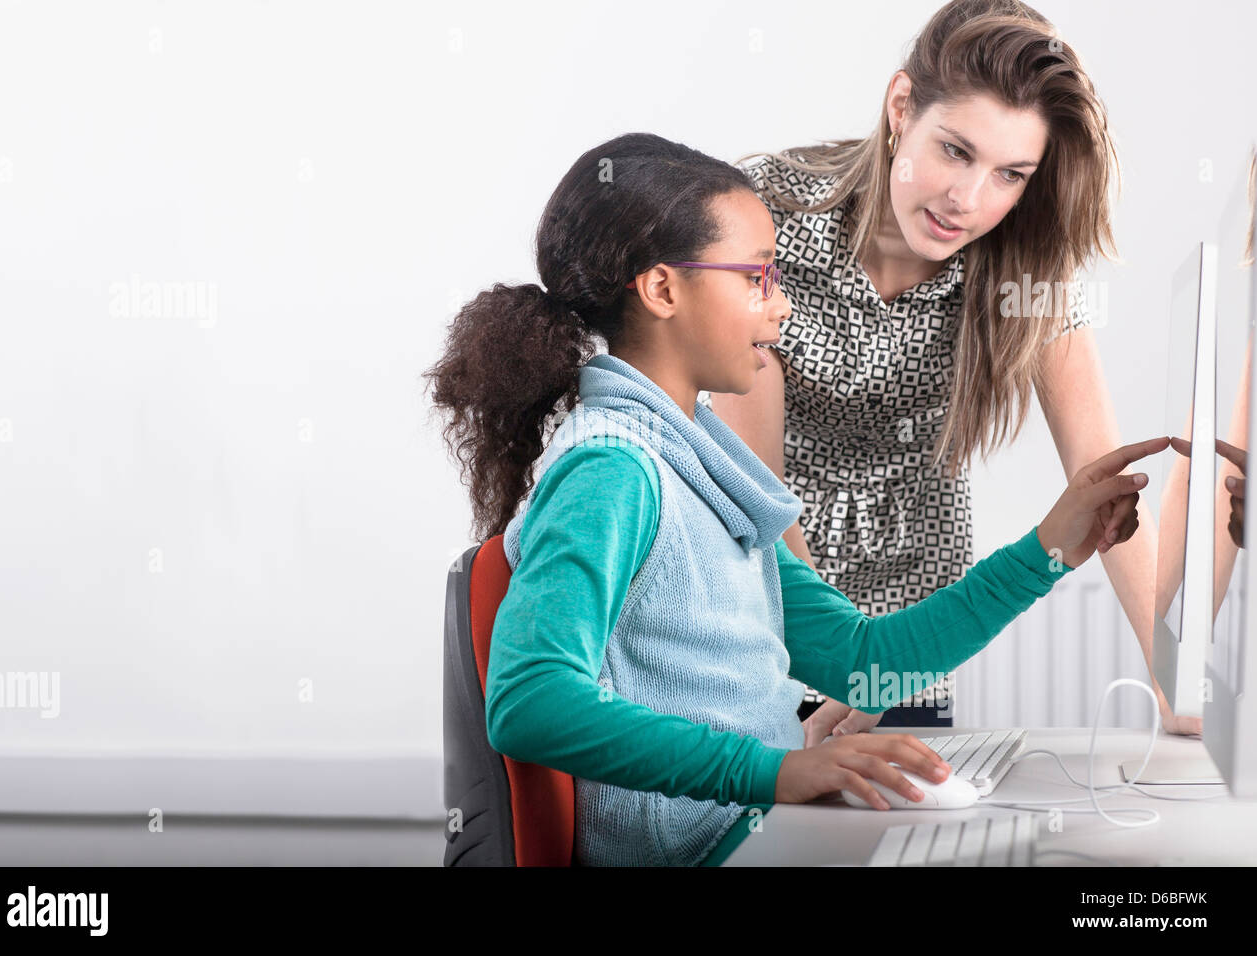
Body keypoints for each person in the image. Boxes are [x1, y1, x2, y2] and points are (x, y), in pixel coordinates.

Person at [424, 131, 1164, 867]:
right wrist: (775, 773)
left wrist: (1048, 551)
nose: (781, 307)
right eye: (756, 277)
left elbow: (865, 662)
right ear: (662, 289)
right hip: (710, 850)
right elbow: (529, 700)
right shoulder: (613, 470)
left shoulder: (699, 464)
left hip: (755, 832)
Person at [710, 0, 1198, 739]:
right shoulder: (768, 218)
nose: (966, 201)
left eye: (1010, 174)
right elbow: (760, 492)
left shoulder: (1026, 268)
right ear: (901, 107)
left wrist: (1173, 678)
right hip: (771, 625)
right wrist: (842, 665)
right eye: (955, 151)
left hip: (917, 638)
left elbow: (1102, 475)